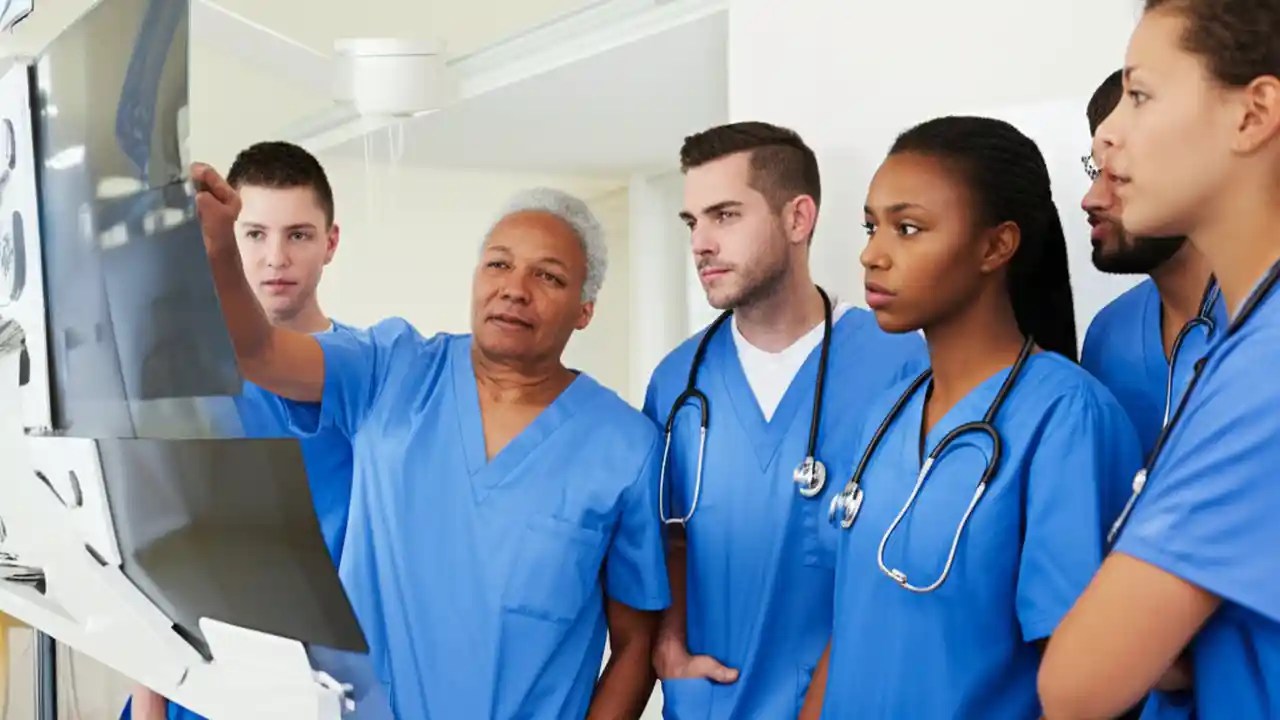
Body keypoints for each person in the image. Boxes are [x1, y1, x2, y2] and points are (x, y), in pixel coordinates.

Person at [189, 166, 670, 719]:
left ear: (584, 310)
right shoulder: (391, 370)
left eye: (549, 277)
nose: (515, 288)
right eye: (499, 263)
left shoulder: (624, 446)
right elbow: (261, 353)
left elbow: (637, 643)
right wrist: (220, 251)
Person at [799, 116, 1141, 719]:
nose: (872, 254)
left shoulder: (1066, 418)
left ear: (995, 246)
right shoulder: (887, 413)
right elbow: (851, 626)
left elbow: (1085, 677)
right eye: (871, 226)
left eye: (908, 229)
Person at [1040, 2, 1280, 718]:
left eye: (1140, 95)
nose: (1108, 136)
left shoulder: (1265, 369)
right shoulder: (1246, 337)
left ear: (1253, 113)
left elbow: (1078, 683)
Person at [644, 121, 926, 719]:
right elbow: (666, 535)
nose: (700, 244)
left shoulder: (903, 362)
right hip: (711, 703)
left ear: (799, 219)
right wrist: (667, 646)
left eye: (724, 215)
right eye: (693, 222)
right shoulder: (677, 381)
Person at [126, 141, 360, 720]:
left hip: (321, 696)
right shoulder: (179, 386)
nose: (275, 257)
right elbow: (148, 566)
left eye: (298, 235)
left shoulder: (366, 381)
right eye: (254, 234)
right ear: (227, 239)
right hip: (193, 696)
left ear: (330, 243)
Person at [1080, 69, 1225, 459]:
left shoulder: (1264, 315)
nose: (1091, 199)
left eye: (1120, 173)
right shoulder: (1107, 335)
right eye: (1095, 170)